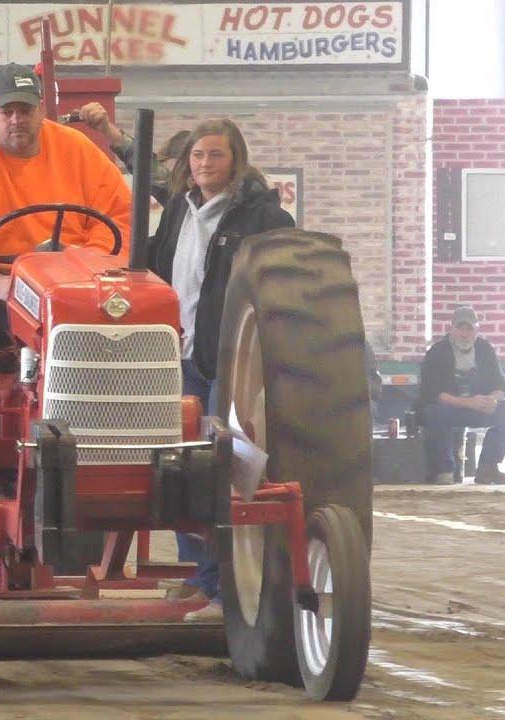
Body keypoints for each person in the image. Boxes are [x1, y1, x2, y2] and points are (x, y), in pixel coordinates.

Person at [0, 63, 133, 459]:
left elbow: (117, 215)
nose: (16, 119)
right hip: (2, 293)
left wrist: (87, 260)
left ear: (40, 110)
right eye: (7, 111)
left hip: (72, 282)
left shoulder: (77, 151)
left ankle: (118, 413)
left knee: (128, 298)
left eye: (25, 109)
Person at [145, 117, 295, 623]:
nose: (205, 164)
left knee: (220, 469)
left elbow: (277, 278)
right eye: (197, 156)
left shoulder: (260, 216)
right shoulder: (178, 213)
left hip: (229, 358)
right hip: (180, 354)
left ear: (236, 161)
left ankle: (226, 590)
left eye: (215, 155)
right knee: (181, 468)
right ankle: (201, 576)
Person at [414, 306, 505, 485]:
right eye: (460, 328)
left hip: (478, 407)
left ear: (477, 330)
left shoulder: (485, 349)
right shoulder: (437, 351)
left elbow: (499, 383)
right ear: (451, 329)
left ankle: (488, 468)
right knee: (435, 412)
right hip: (449, 407)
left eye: (469, 328)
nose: (464, 334)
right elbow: (431, 393)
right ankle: (444, 469)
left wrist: (493, 399)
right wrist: (468, 402)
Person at [76, 101, 191, 205]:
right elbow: (149, 169)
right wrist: (107, 129)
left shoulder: (188, 199)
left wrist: (108, 130)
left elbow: (148, 169)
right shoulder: (178, 199)